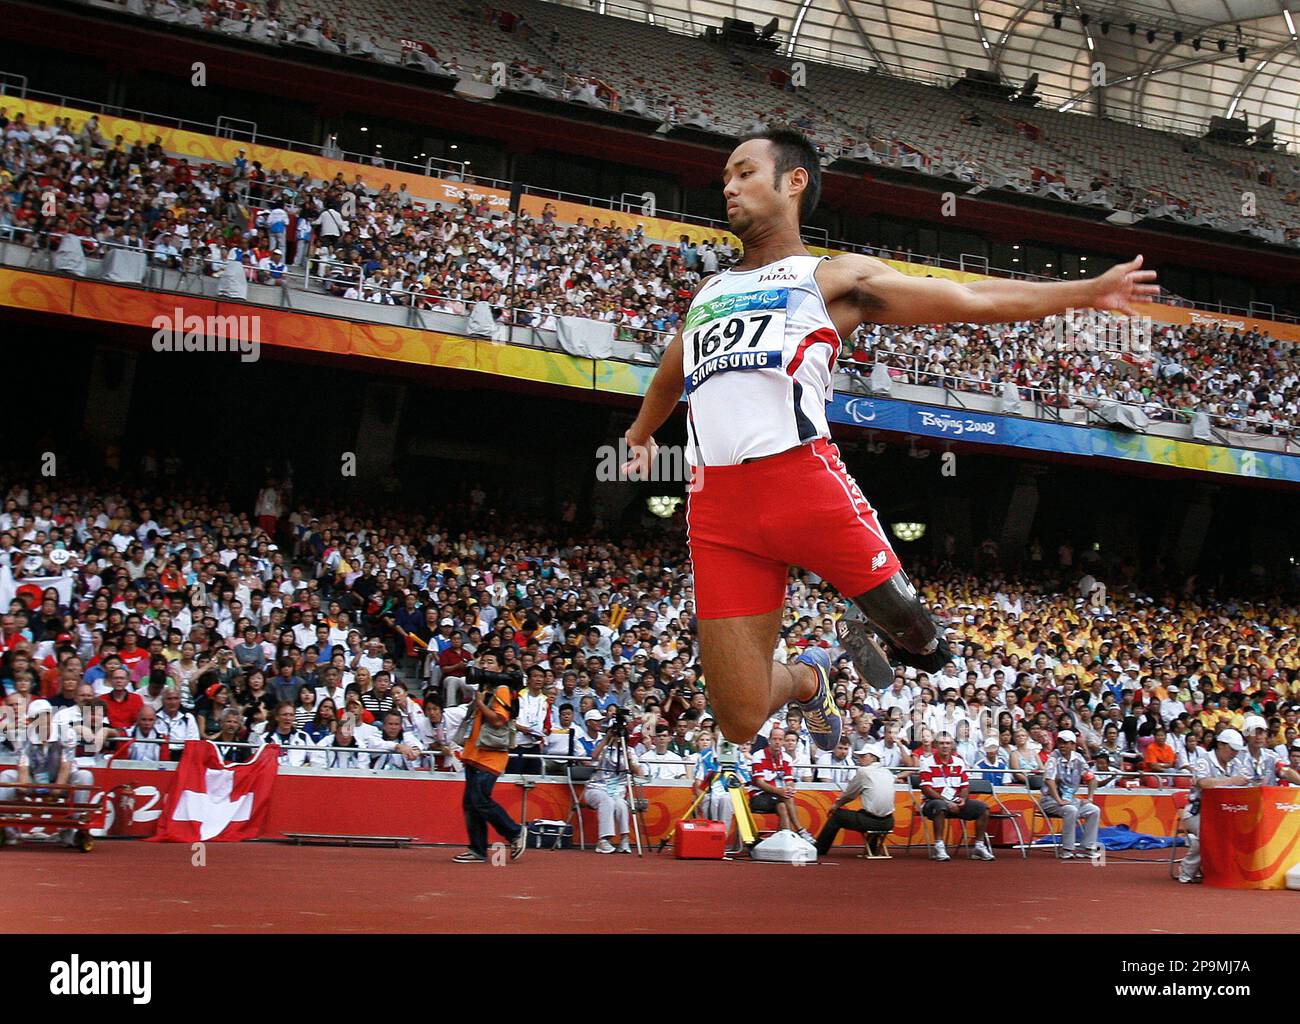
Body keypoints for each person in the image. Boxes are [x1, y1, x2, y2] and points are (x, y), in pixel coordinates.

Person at [620, 127, 1157, 754]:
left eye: (744, 173)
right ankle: (809, 676)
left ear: (795, 182)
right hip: (719, 509)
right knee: (738, 719)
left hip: (800, 481)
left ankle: (914, 642)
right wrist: (638, 434)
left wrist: (1086, 292)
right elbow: (672, 370)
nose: (729, 187)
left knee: (918, 637)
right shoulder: (710, 293)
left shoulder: (832, 277)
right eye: (726, 179)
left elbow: (967, 297)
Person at [454, 663, 528, 864]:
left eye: (489, 662)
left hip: (491, 755)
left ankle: (514, 832)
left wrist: (480, 704)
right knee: (471, 804)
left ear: (498, 667)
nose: (484, 666)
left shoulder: (502, 689)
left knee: (480, 800)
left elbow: (498, 720)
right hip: (474, 753)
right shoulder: (485, 688)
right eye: (482, 662)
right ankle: (477, 849)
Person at [0, 699, 93, 846]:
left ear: (51, 716)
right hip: (34, 777)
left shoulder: (66, 733)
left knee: (85, 776)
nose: (43, 720)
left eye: (46, 715)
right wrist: (23, 787)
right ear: (31, 721)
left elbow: (66, 765)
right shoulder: (23, 735)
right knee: (6, 776)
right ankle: (8, 829)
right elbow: (23, 764)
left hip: (62, 778)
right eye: (37, 717)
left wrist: (57, 789)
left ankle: (74, 826)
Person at [1179, 728, 1251, 884]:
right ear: (1220, 745)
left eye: (1237, 751)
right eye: (1232, 749)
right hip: (1197, 813)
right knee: (1209, 833)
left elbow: (1245, 781)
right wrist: (1232, 781)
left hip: (1225, 813)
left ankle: (1229, 871)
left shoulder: (1236, 763)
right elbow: (1203, 783)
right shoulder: (1203, 760)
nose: (1234, 754)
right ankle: (1187, 869)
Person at [918, 731, 995, 861]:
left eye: (948, 743)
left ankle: (979, 846)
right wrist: (948, 802)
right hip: (932, 803)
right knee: (940, 806)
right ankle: (939, 846)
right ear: (936, 745)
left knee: (983, 808)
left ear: (952, 745)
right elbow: (926, 789)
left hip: (956, 801)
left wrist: (963, 799)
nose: (945, 746)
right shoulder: (927, 762)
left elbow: (965, 786)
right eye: (942, 743)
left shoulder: (959, 762)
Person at [814, 743, 896, 857]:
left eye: (863, 756)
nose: (860, 758)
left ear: (873, 757)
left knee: (837, 816)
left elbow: (849, 794)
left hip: (872, 822)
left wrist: (836, 805)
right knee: (868, 812)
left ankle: (820, 849)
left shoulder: (864, 772)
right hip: (888, 822)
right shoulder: (888, 772)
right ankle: (872, 848)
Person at [582, 717, 644, 853]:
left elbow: (639, 773)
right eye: (614, 733)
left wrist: (629, 760)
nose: (617, 736)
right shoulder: (604, 747)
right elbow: (593, 756)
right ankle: (604, 840)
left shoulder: (629, 750)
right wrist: (607, 739)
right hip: (597, 788)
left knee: (621, 805)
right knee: (607, 802)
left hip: (617, 791)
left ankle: (624, 840)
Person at [1039, 730, 1101, 860]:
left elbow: (1091, 778)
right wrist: (1059, 801)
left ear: (1073, 745)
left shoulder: (1078, 758)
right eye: (1060, 742)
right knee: (1070, 810)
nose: (1062, 745)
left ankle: (1087, 847)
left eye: (1066, 743)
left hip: (1070, 799)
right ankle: (1067, 849)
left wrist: (1089, 798)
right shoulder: (1053, 758)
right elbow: (1049, 780)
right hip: (1050, 800)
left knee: (1094, 810)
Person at [747, 725, 811, 840]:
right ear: (769, 740)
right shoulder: (758, 755)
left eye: (780, 739)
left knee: (782, 805)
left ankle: (784, 839)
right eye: (774, 739)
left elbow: (789, 781)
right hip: (758, 796)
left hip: (777, 796)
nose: (777, 742)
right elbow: (760, 783)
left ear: (783, 742)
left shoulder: (786, 758)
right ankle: (800, 830)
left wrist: (789, 788)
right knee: (786, 797)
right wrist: (780, 791)